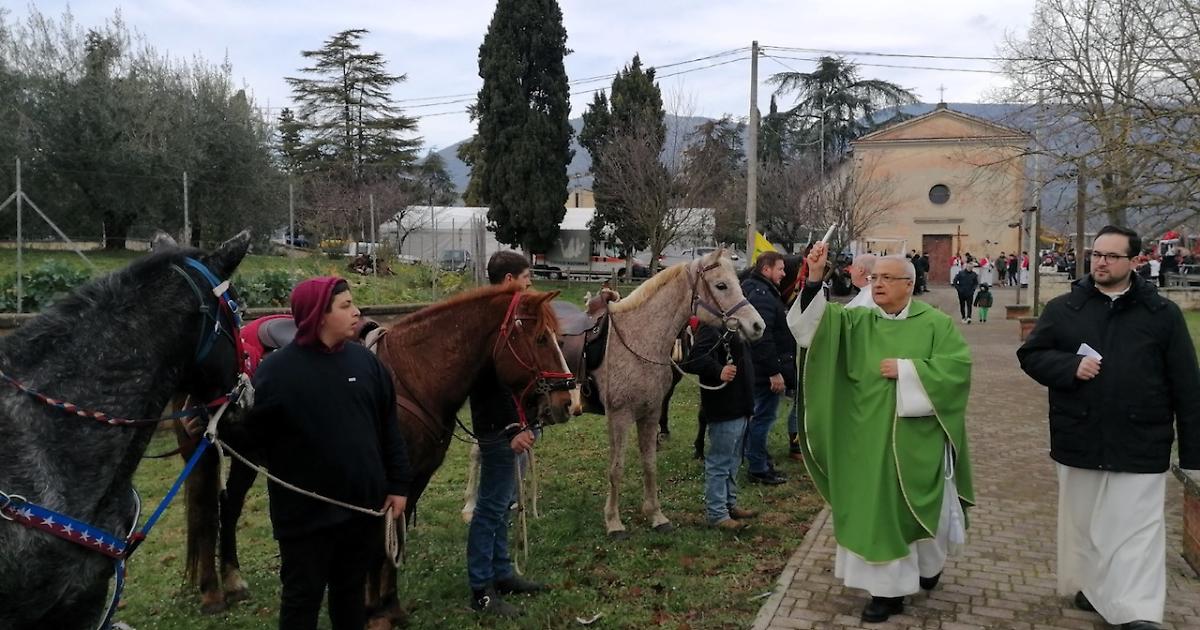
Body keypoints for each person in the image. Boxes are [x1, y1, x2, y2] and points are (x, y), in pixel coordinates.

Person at [1016, 225, 1200, 630]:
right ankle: (1095, 586)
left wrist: (1193, 455)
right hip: (1079, 435)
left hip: (1142, 438)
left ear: (1134, 261)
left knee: (1138, 529)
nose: (1101, 261)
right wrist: (1068, 366)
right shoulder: (1065, 309)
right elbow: (1032, 355)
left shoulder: (1162, 315)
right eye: (1097, 254)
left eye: (1112, 256)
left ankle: (1137, 611)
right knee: (1088, 525)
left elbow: (1188, 384)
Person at [787, 245, 974, 623]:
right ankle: (885, 593)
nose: (878, 284)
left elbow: (957, 371)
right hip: (867, 438)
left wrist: (908, 370)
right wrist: (816, 277)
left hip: (916, 439)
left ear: (910, 283)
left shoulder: (935, 323)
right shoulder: (858, 322)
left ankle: (927, 567)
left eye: (887, 278)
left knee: (923, 509)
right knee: (876, 512)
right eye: (874, 278)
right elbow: (814, 329)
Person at [240, 277, 410, 630]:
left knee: (350, 598)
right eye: (346, 305)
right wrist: (221, 424)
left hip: (361, 512)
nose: (357, 312)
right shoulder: (276, 372)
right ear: (318, 315)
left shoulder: (367, 363)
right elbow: (251, 436)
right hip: (304, 521)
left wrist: (398, 485)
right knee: (302, 601)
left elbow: (389, 429)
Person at [467, 250, 547, 618]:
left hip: (515, 428)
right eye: (526, 276)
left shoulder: (506, 318)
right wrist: (513, 427)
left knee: (503, 506)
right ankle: (481, 587)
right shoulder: (489, 322)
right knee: (490, 508)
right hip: (499, 431)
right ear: (509, 280)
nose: (529, 282)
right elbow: (487, 385)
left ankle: (500, 573)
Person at [681, 320, 758, 530]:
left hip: (740, 405)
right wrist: (718, 371)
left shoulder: (734, 325)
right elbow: (693, 360)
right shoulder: (711, 327)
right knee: (719, 462)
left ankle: (729, 504)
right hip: (724, 406)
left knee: (733, 461)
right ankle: (717, 513)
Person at [741, 251, 796, 485]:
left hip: (761, 369)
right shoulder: (762, 296)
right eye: (780, 269)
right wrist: (774, 371)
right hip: (765, 372)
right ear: (767, 270)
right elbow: (762, 337)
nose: (784, 274)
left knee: (758, 417)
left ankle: (758, 460)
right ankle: (758, 467)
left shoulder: (761, 290)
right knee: (762, 418)